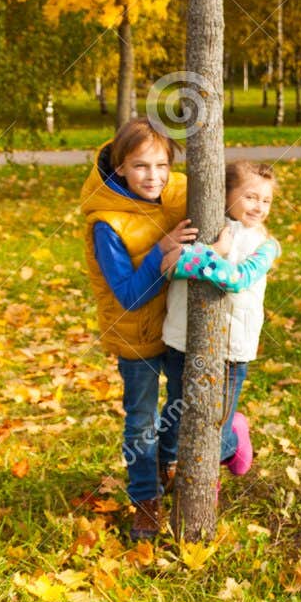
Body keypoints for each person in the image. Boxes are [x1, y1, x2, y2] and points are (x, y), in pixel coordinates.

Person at [78, 117, 196, 541]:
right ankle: (146, 500)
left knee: (184, 403)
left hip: (179, 325)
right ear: (121, 167)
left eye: (162, 165)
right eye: (142, 166)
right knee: (141, 420)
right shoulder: (106, 223)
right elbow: (127, 294)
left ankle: (166, 461)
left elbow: (233, 192)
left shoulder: (178, 191)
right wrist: (162, 253)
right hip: (135, 333)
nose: (155, 177)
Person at [158, 159, 282, 497]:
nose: (259, 206)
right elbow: (168, 269)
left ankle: (229, 446)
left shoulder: (266, 246)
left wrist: (207, 256)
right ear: (224, 194)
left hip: (231, 349)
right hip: (180, 339)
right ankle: (165, 469)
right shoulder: (203, 225)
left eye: (266, 200)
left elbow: (236, 279)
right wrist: (211, 251)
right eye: (250, 197)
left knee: (215, 425)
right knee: (176, 411)